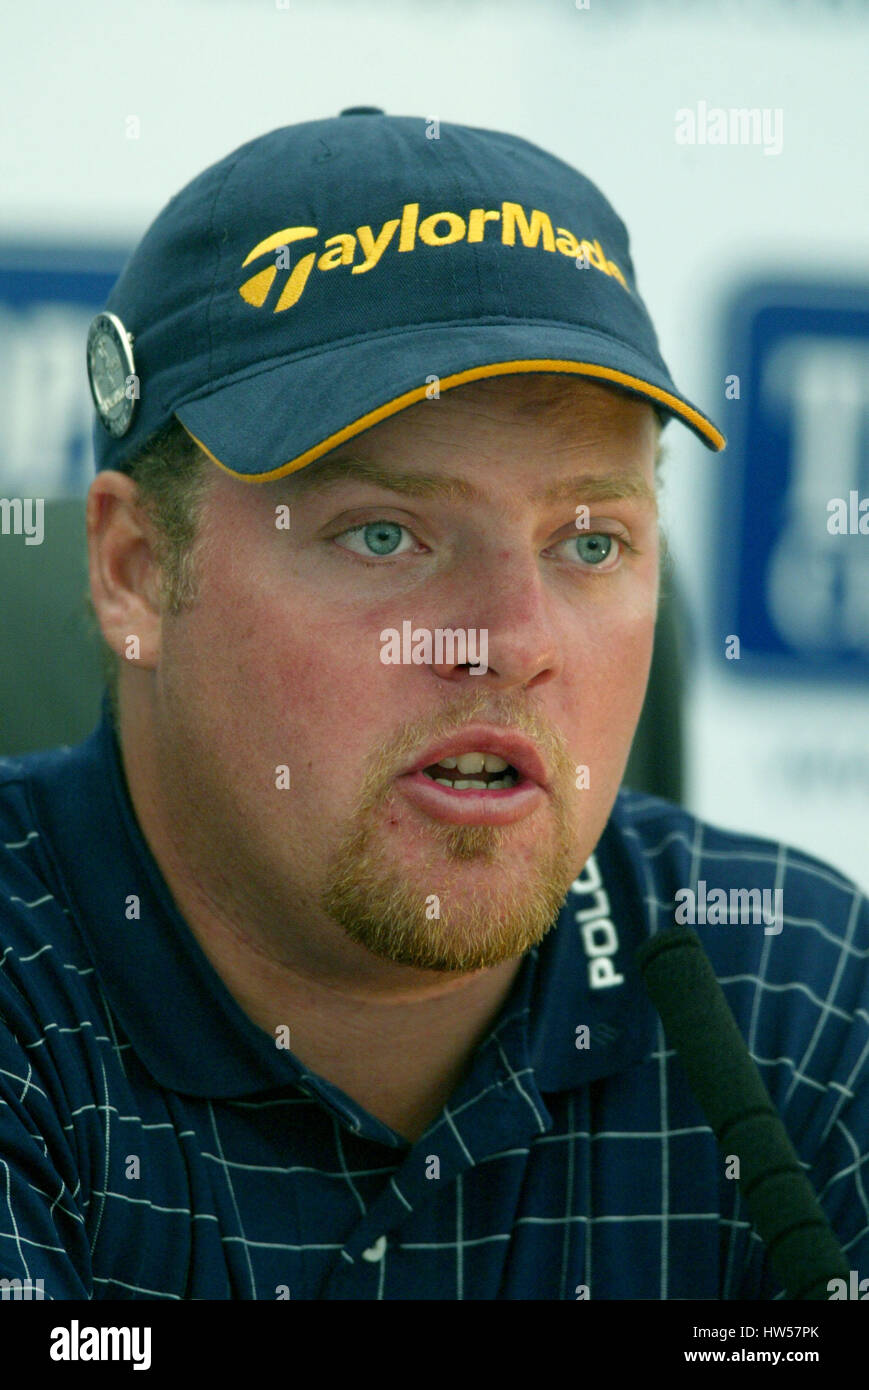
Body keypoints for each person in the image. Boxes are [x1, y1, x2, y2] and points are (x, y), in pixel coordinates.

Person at [0, 110, 865, 1302]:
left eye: (588, 540)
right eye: (382, 535)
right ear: (136, 571)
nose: (512, 642)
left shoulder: (796, 996)